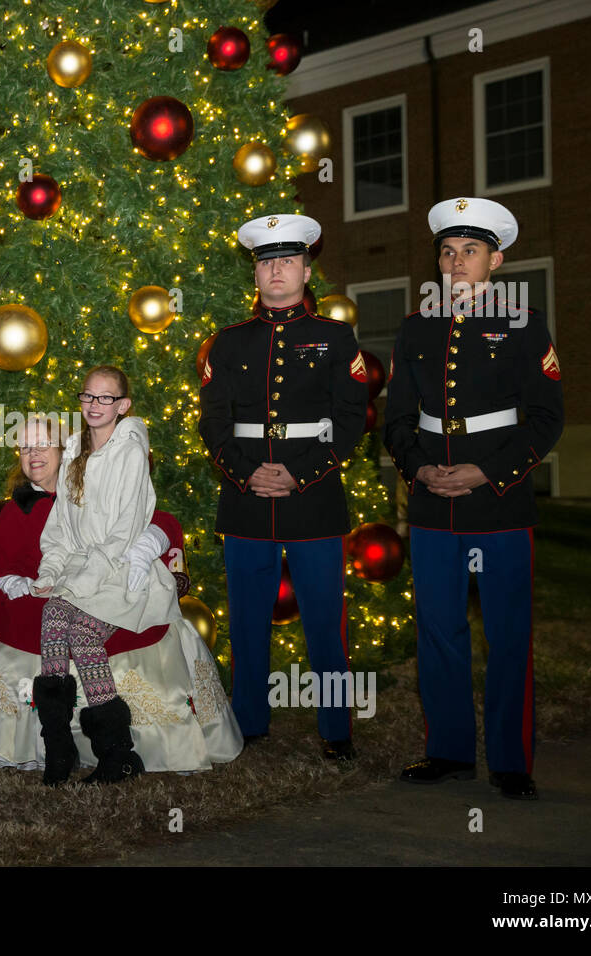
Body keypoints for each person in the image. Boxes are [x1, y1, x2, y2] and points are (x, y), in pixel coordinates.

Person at [0, 413, 242, 775]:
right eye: (24, 448)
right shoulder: (19, 507)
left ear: (66, 451)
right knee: (27, 620)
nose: (32, 454)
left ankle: (113, 750)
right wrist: (11, 581)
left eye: (42, 446)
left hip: (97, 595)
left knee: (80, 623)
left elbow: (155, 519)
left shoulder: (93, 491)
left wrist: (149, 544)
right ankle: (58, 745)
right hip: (38, 601)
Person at [384, 197, 563, 800]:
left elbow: (545, 419)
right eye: (447, 251)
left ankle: (512, 761)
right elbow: (398, 420)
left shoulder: (524, 323)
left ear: (496, 261)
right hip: (435, 503)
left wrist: (485, 472)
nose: (456, 262)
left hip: (499, 501)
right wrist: (420, 471)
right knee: (438, 629)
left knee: (508, 632)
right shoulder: (414, 327)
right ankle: (450, 751)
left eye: (470, 252)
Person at [198, 214, 368, 760]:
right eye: (266, 261)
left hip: (314, 499)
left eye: (287, 260)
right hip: (245, 501)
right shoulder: (226, 343)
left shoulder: (336, 338)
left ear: (305, 268)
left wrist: (299, 472)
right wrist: (247, 472)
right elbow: (214, 425)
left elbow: (351, 420)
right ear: (255, 274)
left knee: (326, 623)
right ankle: (249, 722)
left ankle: (337, 730)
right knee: (246, 622)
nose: (276, 270)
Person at [25, 365, 183, 785]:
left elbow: (124, 533)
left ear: (123, 405)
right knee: (53, 615)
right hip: (81, 569)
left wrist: (80, 582)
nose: (95, 405)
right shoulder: (75, 450)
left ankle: (117, 753)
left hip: (123, 572)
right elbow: (59, 527)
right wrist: (50, 571)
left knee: (82, 633)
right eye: (88, 397)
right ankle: (57, 745)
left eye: (105, 398)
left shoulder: (130, 452)